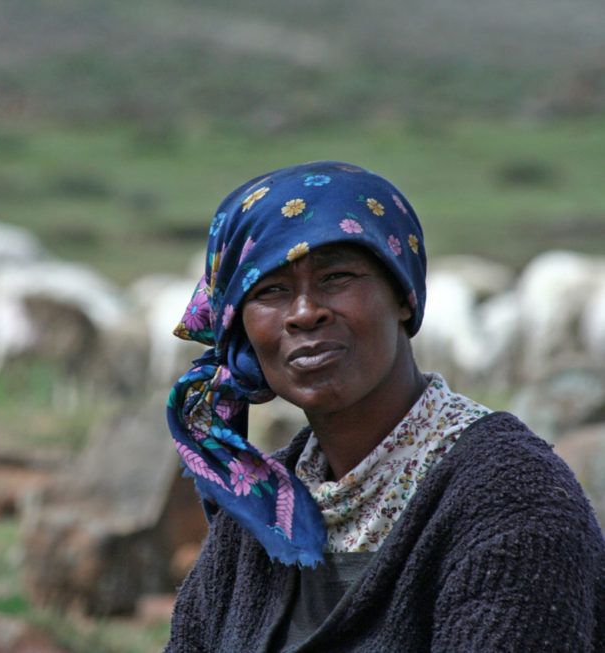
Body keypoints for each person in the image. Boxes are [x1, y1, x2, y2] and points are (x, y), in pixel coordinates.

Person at [163, 161, 604, 652]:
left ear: (403, 296)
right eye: (271, 291)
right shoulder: (259, 514)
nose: (306, 312)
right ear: (238, 327)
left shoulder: (512, 497)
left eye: (337, 277)